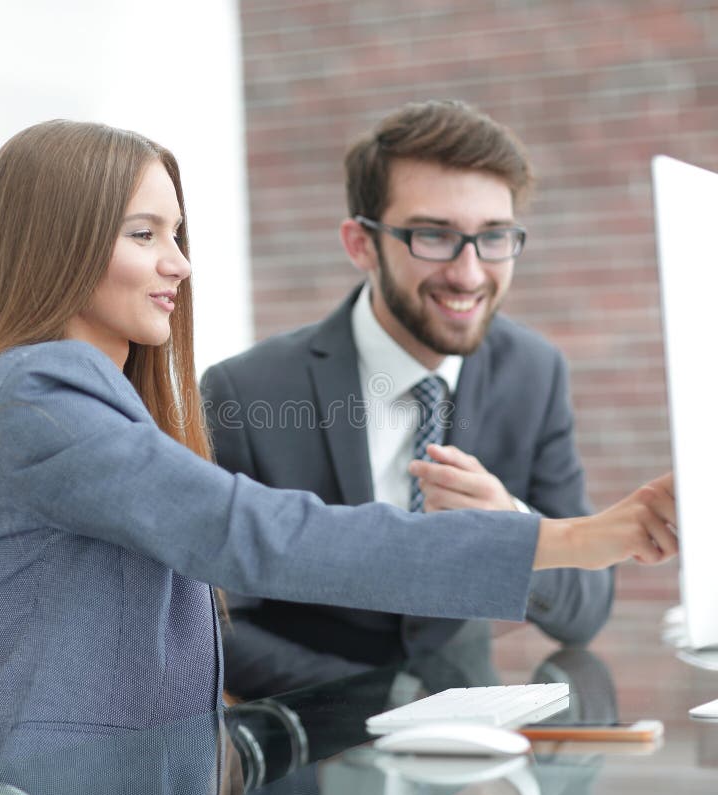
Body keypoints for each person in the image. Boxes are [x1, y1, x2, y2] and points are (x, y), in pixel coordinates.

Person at [0, 119, 677, 775]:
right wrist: (575, 536)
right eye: (144, 234)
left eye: (176, 235)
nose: (179, 262)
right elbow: (257, 535)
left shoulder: (81, 398)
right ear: (56, 246)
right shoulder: (42, 395)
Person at [201, 100, 619, 699]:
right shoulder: (245, 391)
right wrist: (387, 703)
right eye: (435, 236)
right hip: (316, 749)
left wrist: (514, 529)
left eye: (493, 237)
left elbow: (586, 610)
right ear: (361, 244)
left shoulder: (535, 372)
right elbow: (216, 626)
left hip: (473, 755)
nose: (470, 274)